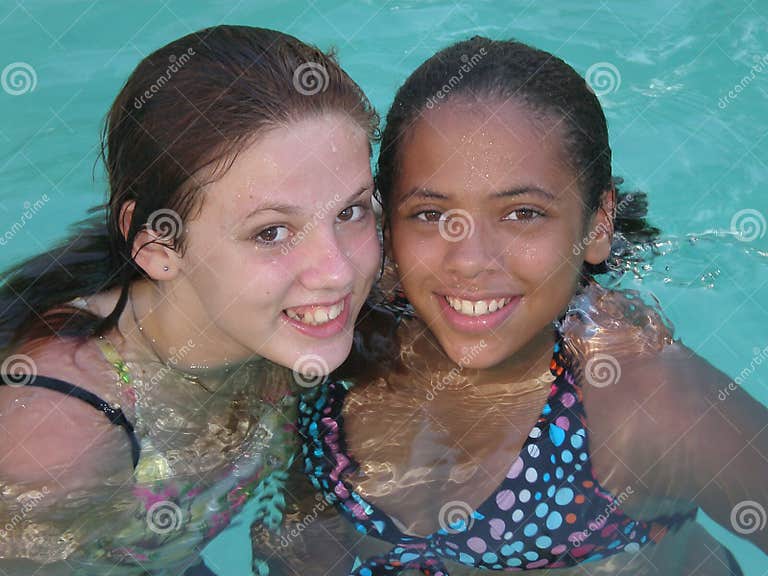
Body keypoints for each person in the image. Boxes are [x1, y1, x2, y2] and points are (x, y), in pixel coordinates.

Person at [271, 37, 767, 575]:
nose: (470, 260)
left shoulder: (650, 402)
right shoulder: (338, 327)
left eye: (523, 213)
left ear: (599, 225)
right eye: (431, 214)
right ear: (385, 222)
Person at [0, 24, 380, 576]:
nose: (338, 271)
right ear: (157, 246)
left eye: (351, 210)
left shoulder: (306, 304)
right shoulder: (61, 439)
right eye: (270, 232)